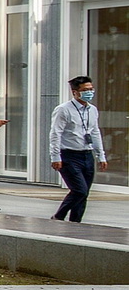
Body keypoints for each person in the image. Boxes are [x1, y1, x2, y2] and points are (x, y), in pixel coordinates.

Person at [48, 74, 106, 223]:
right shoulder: (63, 110)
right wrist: (55, 157)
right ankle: (59, 216)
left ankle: (75, 222)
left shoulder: (92, 110)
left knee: (84, 193)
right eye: (85, 90)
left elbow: (95, 132)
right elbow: (55, 133)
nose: (89, 92)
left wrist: (101, 155)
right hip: (69, 155)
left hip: (87, 154)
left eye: (91, 89)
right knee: (79, 190)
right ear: (75, 92)